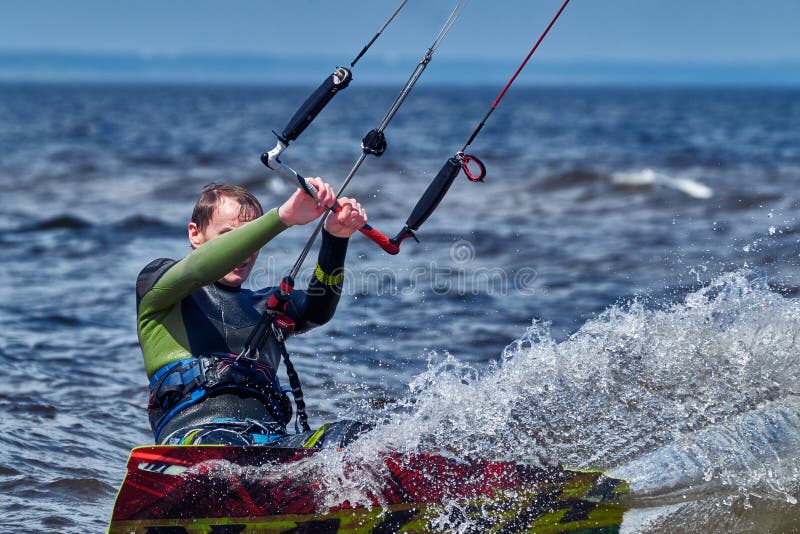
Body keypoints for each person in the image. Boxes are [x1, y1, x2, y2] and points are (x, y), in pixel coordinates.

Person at [136, 178, 369, 447]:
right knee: (225, 443)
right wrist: (282, 218)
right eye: (229, 235)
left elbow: (318, 310)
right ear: (194, 234)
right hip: (196, 441)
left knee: (354, 436)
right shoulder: (158, 286)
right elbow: (197, 269)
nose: (245, 251)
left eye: (250, 236)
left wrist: (335, 239)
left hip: (269, 444)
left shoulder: (267, 306)